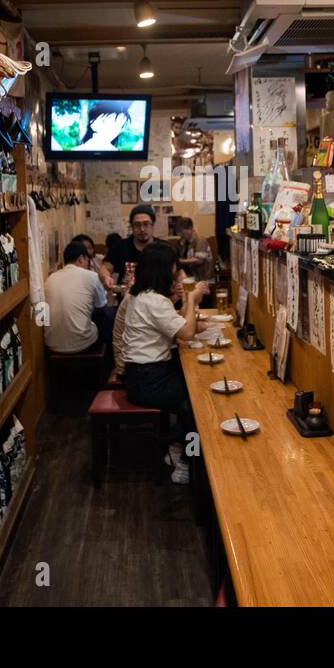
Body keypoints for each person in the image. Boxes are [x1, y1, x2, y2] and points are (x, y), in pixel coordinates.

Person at [121, 242, 208, 485]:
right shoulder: (153, 301)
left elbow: (177, 325)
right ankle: (185, 459)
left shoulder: (143, 296)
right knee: (195, 405)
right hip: (147, 379)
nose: (175, 270)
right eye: (173, 266)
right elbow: (187, 333)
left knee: (193, 392)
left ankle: (178, 448)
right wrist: (190, 298)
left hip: (142, 374)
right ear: (163, 269)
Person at [44, 241, 109, 354]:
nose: (88, 265)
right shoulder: (92, 276)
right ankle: (107, 365)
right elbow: (101, 305)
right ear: (81, 259)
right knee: (105, 317)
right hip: (83, 346)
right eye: (87, 261)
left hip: (51, 345)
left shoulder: (50, 278)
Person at [100, 204, 157, 299]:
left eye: (146, 224)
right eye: (137, 225)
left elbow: (179, 274)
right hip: (126, 306)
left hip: (157, 306)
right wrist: (106, 277)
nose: (142, 229)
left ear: (153, 225)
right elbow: (105, 268)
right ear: (132, 226)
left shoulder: (163, 248)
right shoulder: (120, 247)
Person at [175, 216, 214, 283]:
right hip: (194, 277)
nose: (181, 235)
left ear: (190, 228)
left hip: (205, 279)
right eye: (179, 233)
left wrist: (180, 261)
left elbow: (199, 260)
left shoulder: (200, 240)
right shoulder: (187, 242)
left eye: (182, 232)